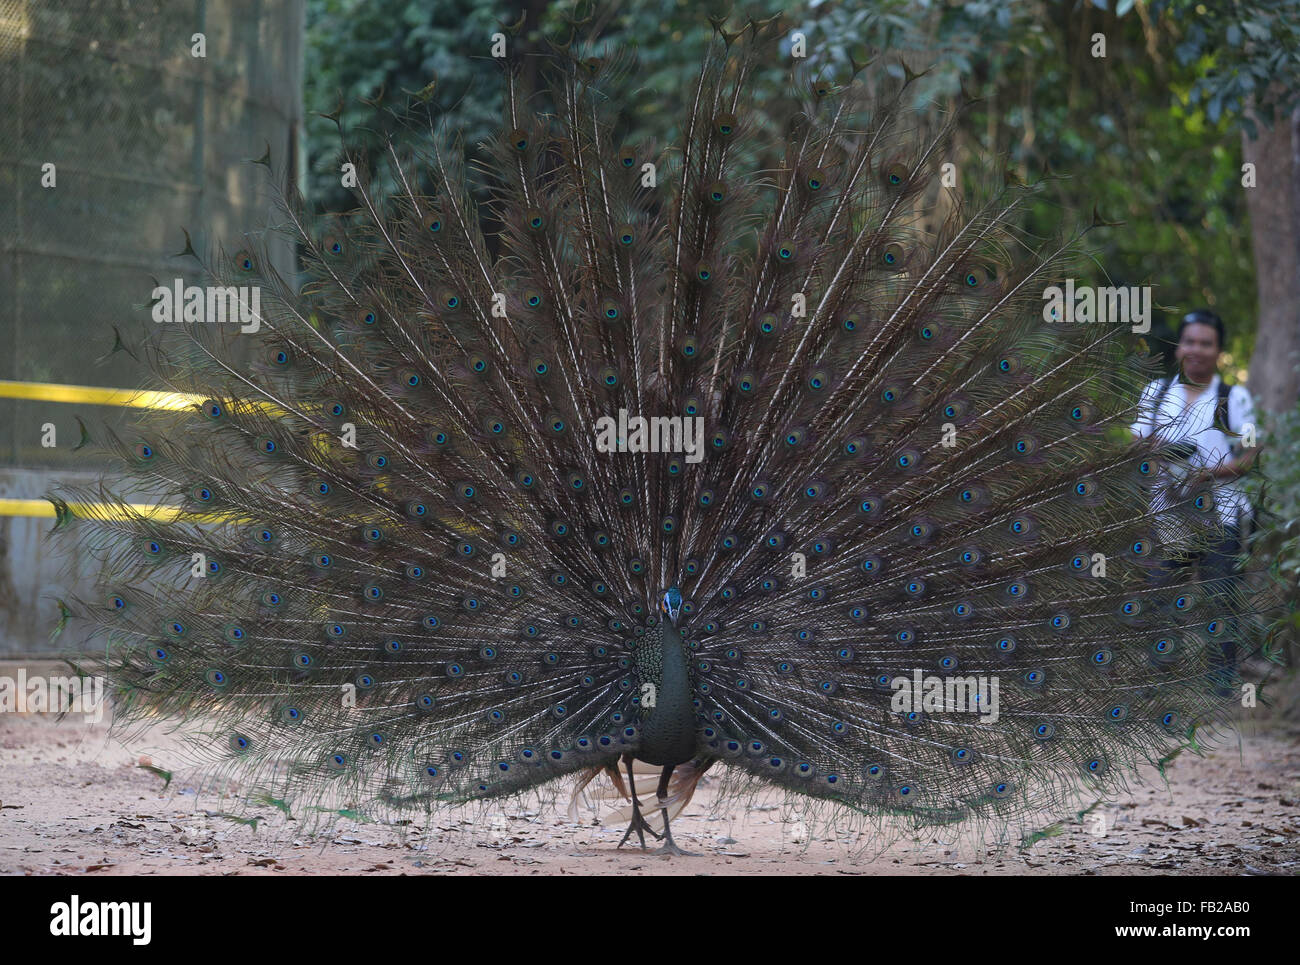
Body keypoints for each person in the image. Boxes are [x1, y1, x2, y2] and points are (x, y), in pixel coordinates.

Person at [1130, 309, 1258, 695]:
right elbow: (1137, 440)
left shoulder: (1234, 397)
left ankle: (1218, 688)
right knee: (1161, 595)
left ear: (1219, 351)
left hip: (1222, 512)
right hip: (1168, 510)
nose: (1196, 350)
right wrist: (1155, 451)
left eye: (1206, 343)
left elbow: (1252, 455)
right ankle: (1161, 682)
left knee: (1220, 598)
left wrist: (1208, 474)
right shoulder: (1155, 393)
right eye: (1190, 342)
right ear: (1178, 347)